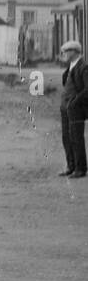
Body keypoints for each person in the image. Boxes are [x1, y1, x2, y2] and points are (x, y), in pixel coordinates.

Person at [58, 40, 87, 178]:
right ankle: (71, 166)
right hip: (66, 108)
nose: (63, 54)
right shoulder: (70, 66)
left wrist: (74, 102)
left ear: (74, 52)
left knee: (76, 138)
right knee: (67, 137)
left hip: (76, 109)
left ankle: (80, 169)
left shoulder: (83, 66)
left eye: (66, 51)